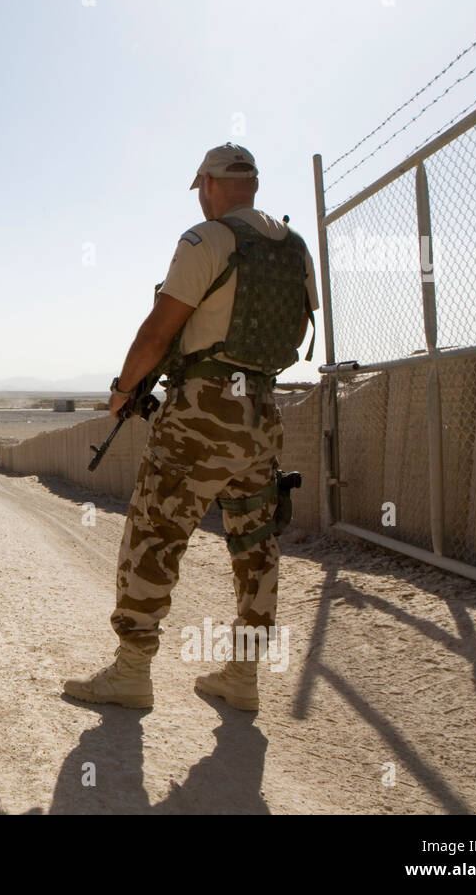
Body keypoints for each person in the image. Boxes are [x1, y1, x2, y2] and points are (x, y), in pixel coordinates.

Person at [63, 143, 317, 712]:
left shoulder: (206, 240)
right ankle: (243, 676)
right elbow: (299, 330)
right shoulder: (294, 247)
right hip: (261, 413)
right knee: (255, 543)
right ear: (250, 183)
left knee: (156, 531)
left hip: (201, 413)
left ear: (208, 184)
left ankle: (131, 673)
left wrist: (125, 388)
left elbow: (160, 328)